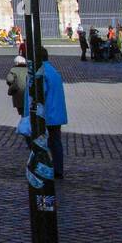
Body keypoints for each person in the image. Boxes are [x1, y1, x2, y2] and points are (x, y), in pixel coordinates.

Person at [21, 48, 69, 179]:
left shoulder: (40, 74)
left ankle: (43, 164)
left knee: (36, 140)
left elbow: (39, 95)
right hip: (56, 114)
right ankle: (58, 169)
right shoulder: (53, 71)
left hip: (45, 114)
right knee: (55, 142)